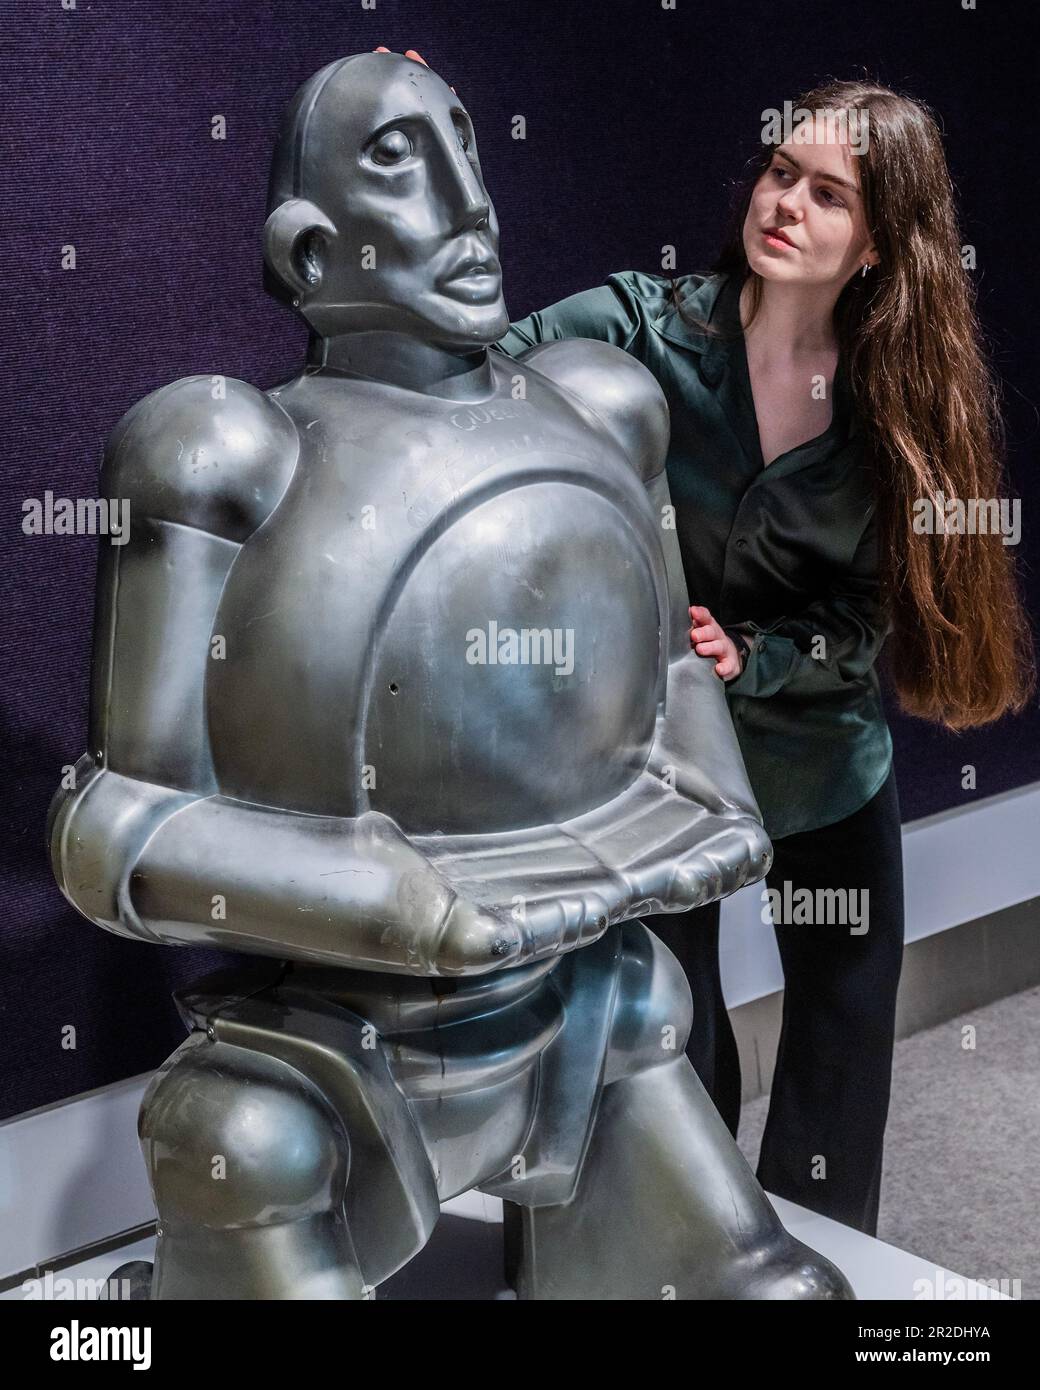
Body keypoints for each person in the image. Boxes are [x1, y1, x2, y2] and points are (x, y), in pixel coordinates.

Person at [378, 55, 1033, 1237]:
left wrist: (758, 658)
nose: (785, 204)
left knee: (837, 1056)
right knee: (669, 1042)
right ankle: (688, 1254)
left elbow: (867, 617)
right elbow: (476, 366)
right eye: (781, 172)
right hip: (666, 772)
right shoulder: (640, 323)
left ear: (880, 245)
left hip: (822, 770)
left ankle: (821, 1267)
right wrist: (432, 151)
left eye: (829, 195)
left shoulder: (898, 399)